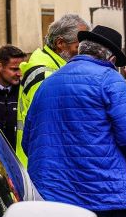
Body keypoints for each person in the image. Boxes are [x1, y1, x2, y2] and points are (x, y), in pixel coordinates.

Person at [25, 25, 126, 217]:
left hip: (58, 198)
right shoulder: (109, 79)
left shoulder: (47, 85)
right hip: (109, 196)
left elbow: (30, 141)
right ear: (111, 59)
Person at [16, 14, 89, 165]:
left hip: (42, 160)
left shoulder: (51, 68)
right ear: (60, 43)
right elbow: (50, 127)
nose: (83, 51)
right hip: (42, 163)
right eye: (79, 46)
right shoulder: (46, 76)